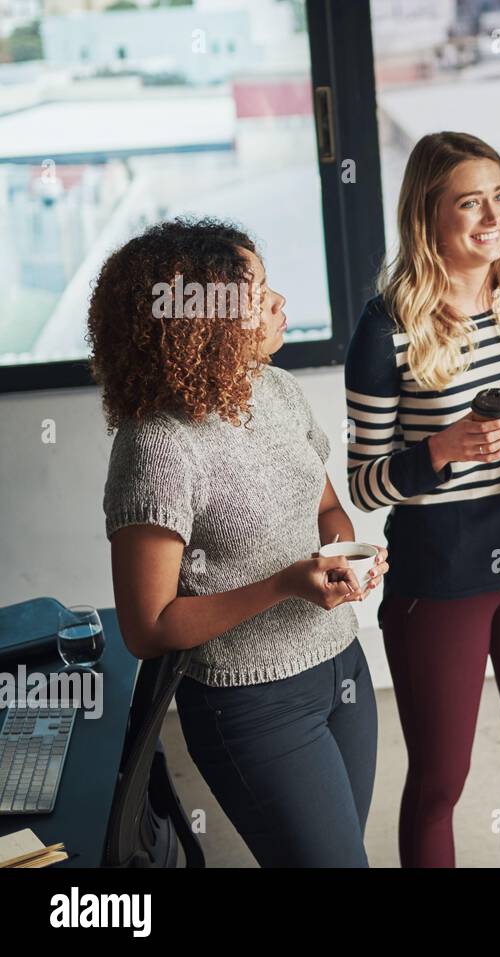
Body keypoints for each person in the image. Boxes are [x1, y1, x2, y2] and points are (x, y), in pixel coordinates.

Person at [95, 218, 387, 867]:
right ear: (198, 320)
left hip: (342, 670)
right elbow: (149, 627)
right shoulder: (157, 445)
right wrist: (286, 584)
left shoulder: (277, 391)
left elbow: (330, 509)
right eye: (256, 293)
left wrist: (346, 559)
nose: (280, 302)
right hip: (251, 704)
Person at [344, 132, 500, 868]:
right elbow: (363, 483)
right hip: (439, 575)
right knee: (441, 782)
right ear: (428, 214)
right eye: (470, 202)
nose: (493, 216)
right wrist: (439, 452)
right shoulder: (386, 326)